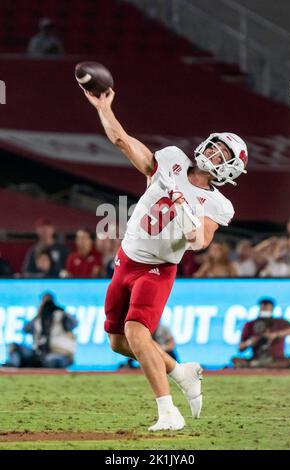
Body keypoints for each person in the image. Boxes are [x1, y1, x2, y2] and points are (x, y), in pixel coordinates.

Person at [84, 87, 248, 431]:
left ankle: (168, 412)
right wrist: (104, 108)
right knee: (117, 342)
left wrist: (185, 212)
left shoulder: (218, 204)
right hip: (126, 258)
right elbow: (123, 142)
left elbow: (200, 240)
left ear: (229, 169)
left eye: (222, 155)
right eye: (215, 146)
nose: (214, 153)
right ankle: (180, 371)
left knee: (136, 331)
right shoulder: (172, 159)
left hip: (158, 269)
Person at [5, 293, 77, 369]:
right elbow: (26, 329)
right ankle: (9, 371)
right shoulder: (38, 319)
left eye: (48, 302)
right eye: (44, 302)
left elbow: (74, 323)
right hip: (40, 355)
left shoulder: (62, 315)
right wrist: (39, 313)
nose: (47, 306)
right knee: (15, 347)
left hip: (60, 354)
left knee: (50, 360)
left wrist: (60, 310)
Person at [233, 298, 290, 369]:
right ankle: (257, 365)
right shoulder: (250, 324)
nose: (265, 309)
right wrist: (251, 342)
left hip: (277, 359)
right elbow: (240, 348)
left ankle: (259, 366)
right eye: (263, 307)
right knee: (236, 361)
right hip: (257, 358)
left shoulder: (280, 322)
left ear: (272, 309)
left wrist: (275, 335)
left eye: (267, 307)